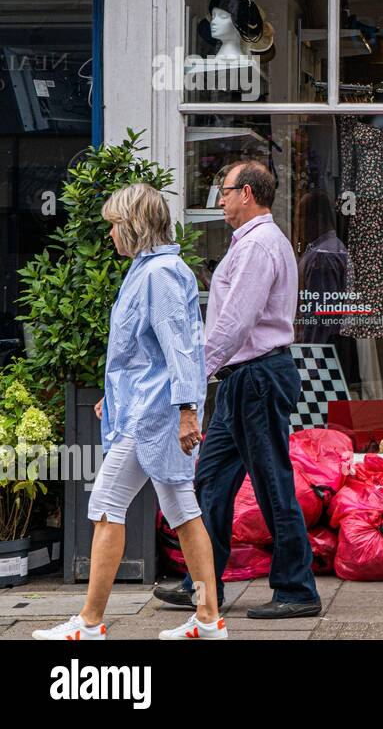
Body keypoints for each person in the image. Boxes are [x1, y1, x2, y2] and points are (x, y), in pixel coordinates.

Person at [34, 184, 224, 640]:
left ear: (135, 226)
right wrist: (114, 396)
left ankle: (90, 622)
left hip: (152, 418)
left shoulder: (157, 274)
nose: (112, 234)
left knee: (105, 507)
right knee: (183, 512)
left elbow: (179, 350)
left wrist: (186, 411)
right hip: (151, 410)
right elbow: (148, 352)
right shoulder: (156, 270)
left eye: (116, 225)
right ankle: (207, 617)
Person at [153, 161, 321, 618]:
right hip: (243, 379)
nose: (220, 200)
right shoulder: (253, 243)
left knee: (272, 484)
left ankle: (296, 590)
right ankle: (203, 584)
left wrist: (195, 375)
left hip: (256, 377)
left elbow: (235, 322)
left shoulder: (259, 246)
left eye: (224, 192)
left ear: (246, 193)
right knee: (211, 479)